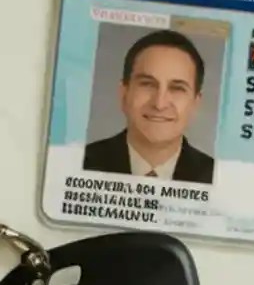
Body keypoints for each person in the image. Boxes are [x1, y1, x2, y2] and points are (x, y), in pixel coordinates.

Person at [82, 29, 215, 184]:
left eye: (177, 88)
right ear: (124, 94)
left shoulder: (218, 178)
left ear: (195, 103)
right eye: (147, 84)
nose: (159, 104)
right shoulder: (80, 162)